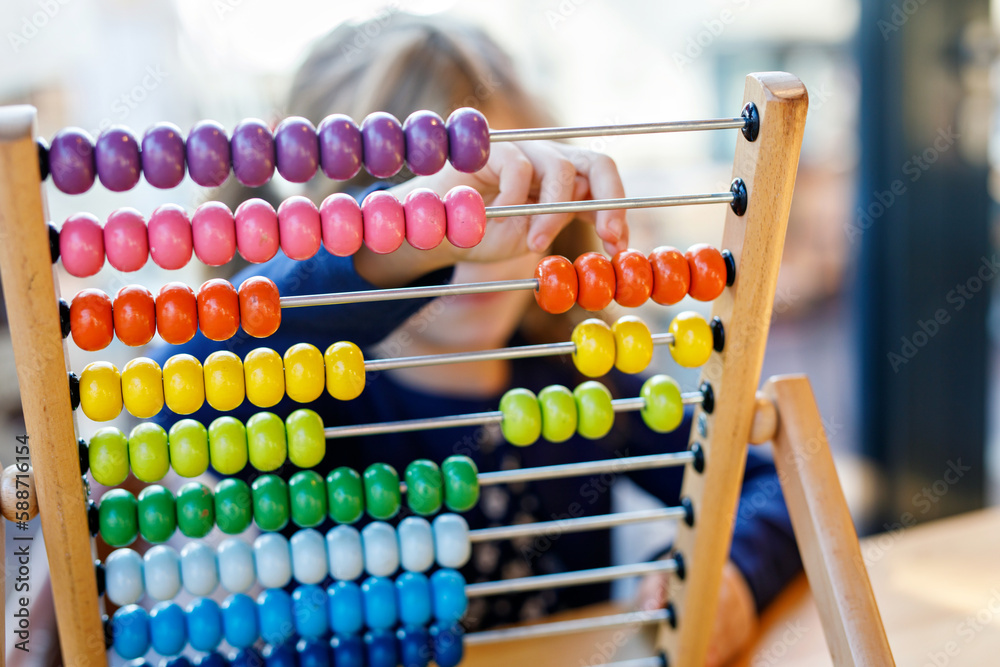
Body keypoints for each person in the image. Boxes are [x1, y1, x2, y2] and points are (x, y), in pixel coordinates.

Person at [151, 13, 801, 665]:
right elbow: (176, 386)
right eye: (441, 212)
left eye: (510, 201)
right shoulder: (301, 404)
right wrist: (401, 242)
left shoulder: (584, 385)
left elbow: (771, 487)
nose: (477, 246)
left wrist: (728, 574)